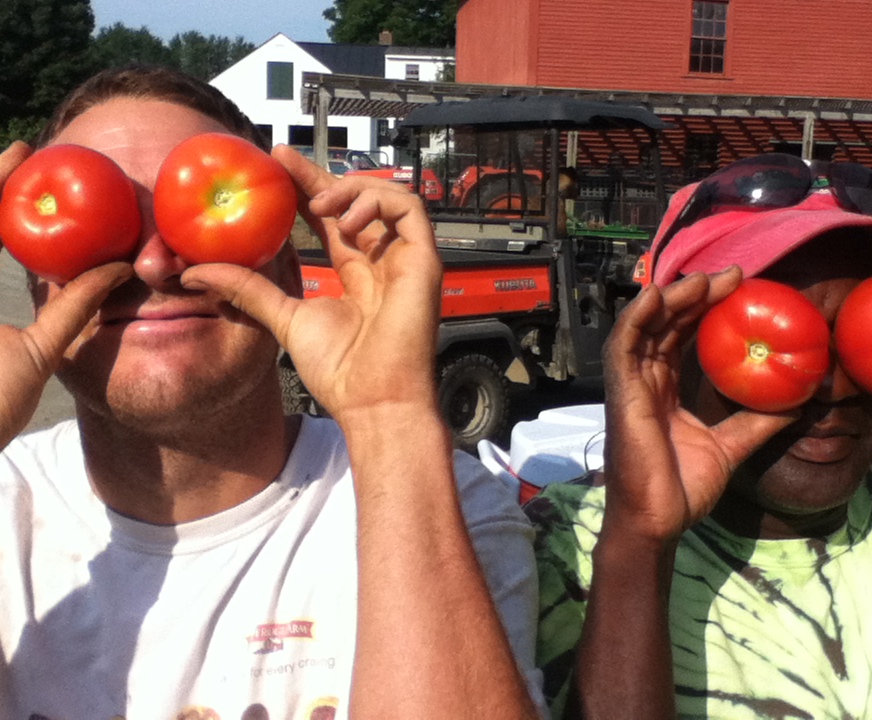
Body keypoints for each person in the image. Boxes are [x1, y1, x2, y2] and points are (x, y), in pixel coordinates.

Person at [0, 65, 544, 719]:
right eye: (100, 225)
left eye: (200, 211)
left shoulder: (440, 510)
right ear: (38, 286)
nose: (150, 264)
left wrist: (391, 416)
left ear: (290, 271)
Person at [528, 152, 872, 718]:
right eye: (763, 333)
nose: (829, 386)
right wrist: (640, 542)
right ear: (667, 351)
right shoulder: (558, 554)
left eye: (862, 333)